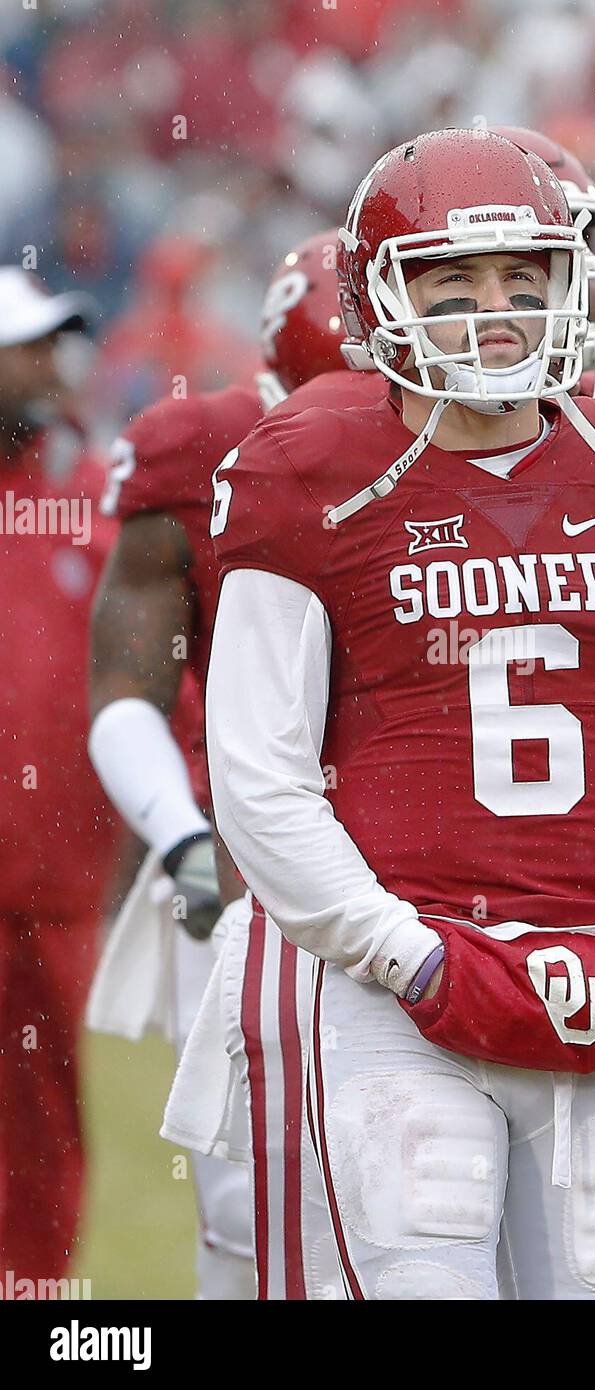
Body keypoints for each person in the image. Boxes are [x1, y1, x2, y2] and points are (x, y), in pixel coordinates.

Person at [204, 128, 595, 1300]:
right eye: (448, 283)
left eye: (523, 279)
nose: (494, 312)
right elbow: (259, 781)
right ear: (376, 302)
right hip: (407, 999)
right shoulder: (312, 473)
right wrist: (407, 959)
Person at [87, 231, 374, 1300]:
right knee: (250, 1212)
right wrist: (182, 837)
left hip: (422, 865)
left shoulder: (469, 439)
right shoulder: (193, 447)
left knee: (423, 1199)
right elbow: (123, 693)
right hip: (243, 872)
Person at [0, 266, 118, 1283]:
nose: (46, 366)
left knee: (42, 1126)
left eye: (52, 345)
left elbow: (163, 674)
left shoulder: (90, 501)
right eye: (24, 347)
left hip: (52, 890)